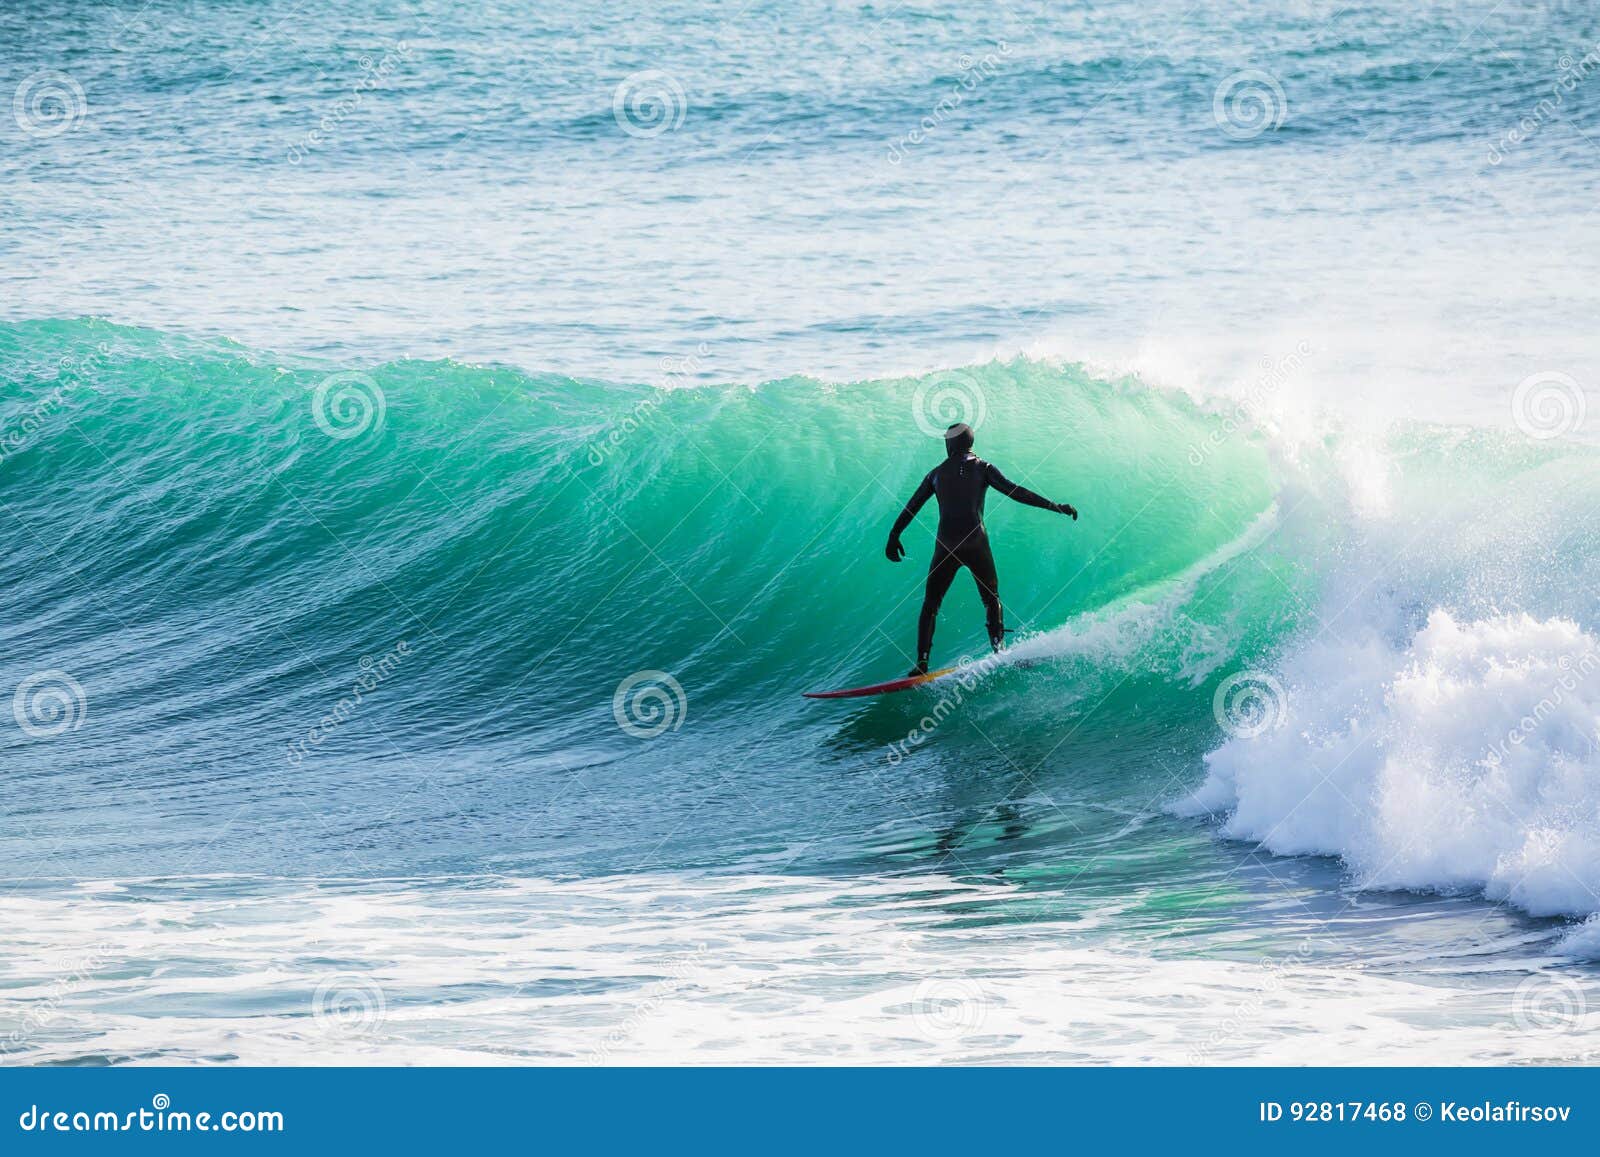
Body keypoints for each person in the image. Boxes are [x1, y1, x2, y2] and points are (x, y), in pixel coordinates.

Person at [886, 422, 1077, 675]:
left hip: (947, 545)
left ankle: (922, 663)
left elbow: (912, 507)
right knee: (991, 599)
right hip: (976, 542)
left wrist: (894, 535)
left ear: (952, 444)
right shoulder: (983, 468)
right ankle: (999, 653)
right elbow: (1015, 492)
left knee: (931, 604)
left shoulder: (935, 474)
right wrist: (1055, 506)